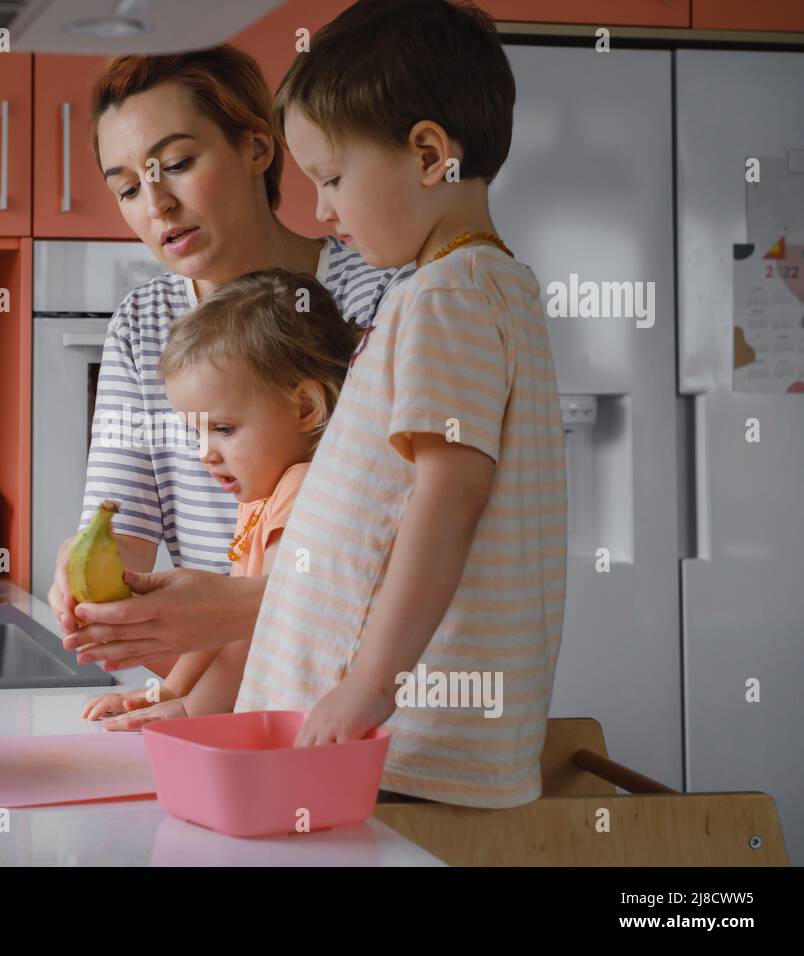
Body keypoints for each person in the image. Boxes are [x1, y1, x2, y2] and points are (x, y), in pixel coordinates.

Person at [234, 0, 568, 808]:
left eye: (333, 178)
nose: (321, 211)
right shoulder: (487, 285)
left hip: (387, 744)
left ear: (427, 155)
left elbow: (447, 499)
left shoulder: (446, 295)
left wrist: (368, 686)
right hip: (381, 738)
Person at [47, 46, 409, 674]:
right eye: (128, 187)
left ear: (257, 148)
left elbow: (414, 547)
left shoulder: (380, 296)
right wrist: (92, 587)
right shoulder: (141, 325)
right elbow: (121, 531)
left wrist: (246, 608)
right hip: (221, 694)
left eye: (178, 163)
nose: (155, 204)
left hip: (364, 688)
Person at [79, 270, 359, 728]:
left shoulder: (305, 490)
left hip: (303, 724)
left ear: (305, 407)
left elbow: (256, 630)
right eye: (196, 431)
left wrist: (191, 709)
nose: (204, 453)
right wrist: (168, 691)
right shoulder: (261, 498)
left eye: (223, 429)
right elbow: (223, 623)